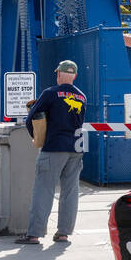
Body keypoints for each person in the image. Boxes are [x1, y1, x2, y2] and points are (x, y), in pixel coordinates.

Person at [17, 60, 87, 245]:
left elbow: (31, 118)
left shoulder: (50, 93)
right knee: (70, 192)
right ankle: (63, 233)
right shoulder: (82, 97)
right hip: (76, 148)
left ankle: (34, 234)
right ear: (75, 76)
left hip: (54, 147)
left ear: (58, 74)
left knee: (44, 190)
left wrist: (38, 138)